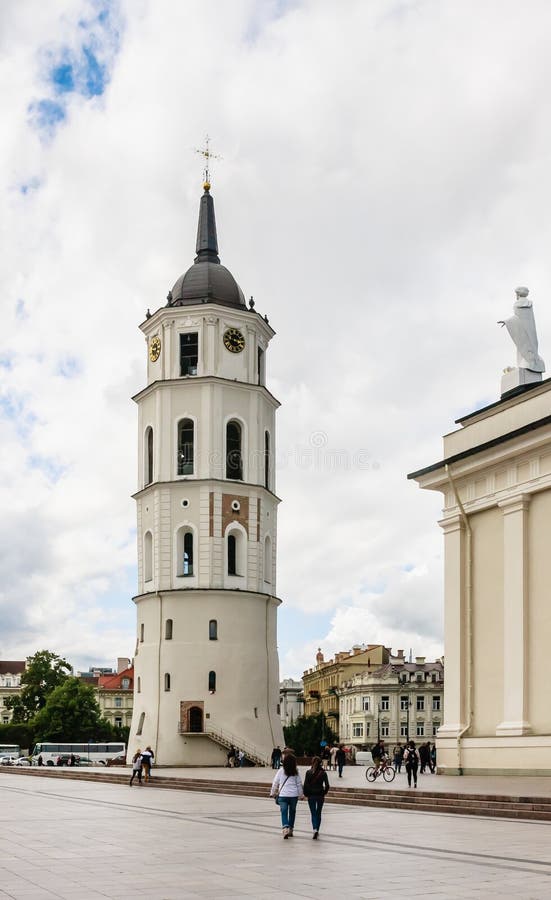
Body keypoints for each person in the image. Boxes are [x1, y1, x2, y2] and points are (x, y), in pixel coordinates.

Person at [270, 753, 304, 839]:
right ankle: (291, 829)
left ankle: (285, 828)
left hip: (283, 795)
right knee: (292, 812)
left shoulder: (281, 770)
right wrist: (301, 795)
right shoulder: (296, 771)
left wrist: (272, 792)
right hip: (293, 795)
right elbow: (299, 784)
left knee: (284, 811)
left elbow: (275, 782)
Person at [303, 756, 330, 839]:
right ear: (320, 763)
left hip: (311, 795)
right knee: (318, 813)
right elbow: (327, 785)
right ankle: (317, 829)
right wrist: (324, 792)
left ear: (312, 762)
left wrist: (306, 794)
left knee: (313, 813)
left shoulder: (308, 772)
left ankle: (314, 829)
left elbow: (305, 785)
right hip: (320, 795)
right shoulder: (323, 773)